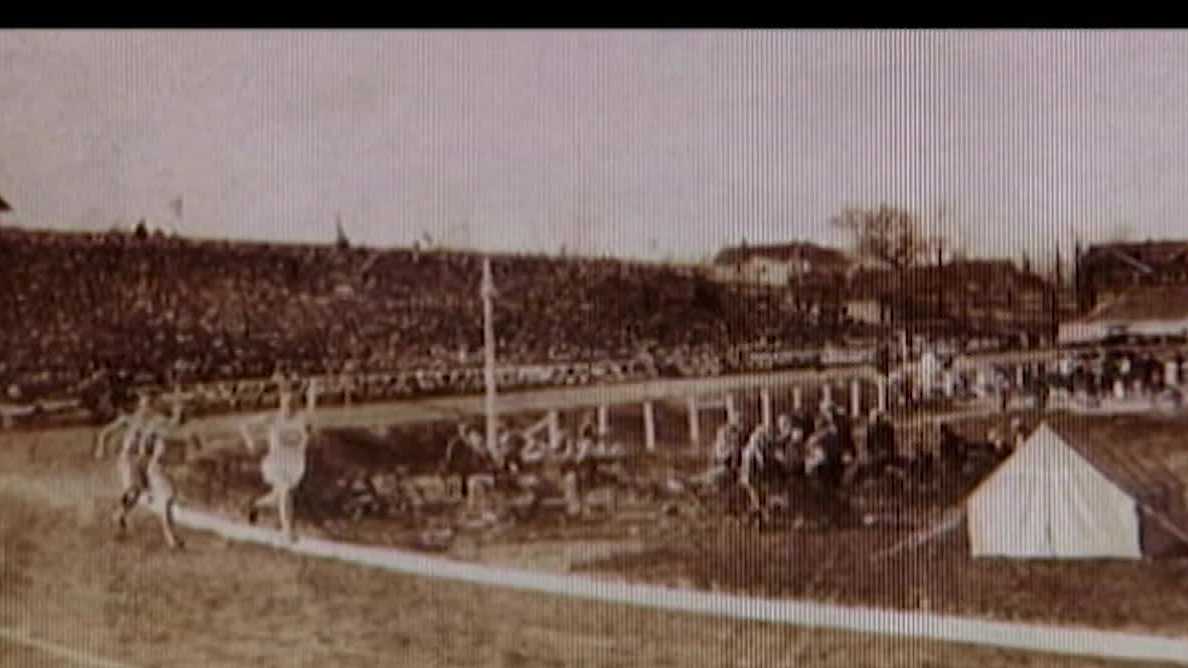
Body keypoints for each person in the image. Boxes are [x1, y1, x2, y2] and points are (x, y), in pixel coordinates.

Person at [240, 388, 311, 543]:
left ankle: (255, 505)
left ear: (298, 405)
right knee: (285, 491)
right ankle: (287, 532)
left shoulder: (303, 420)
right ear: (281, 404)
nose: (290, 407)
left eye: (294, 403)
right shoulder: (273, 418)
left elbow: (306, 438)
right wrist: (250, 441)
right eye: (287, 403)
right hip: (275, 464)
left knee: (277, 498)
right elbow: (245, 425)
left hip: (295, 466)